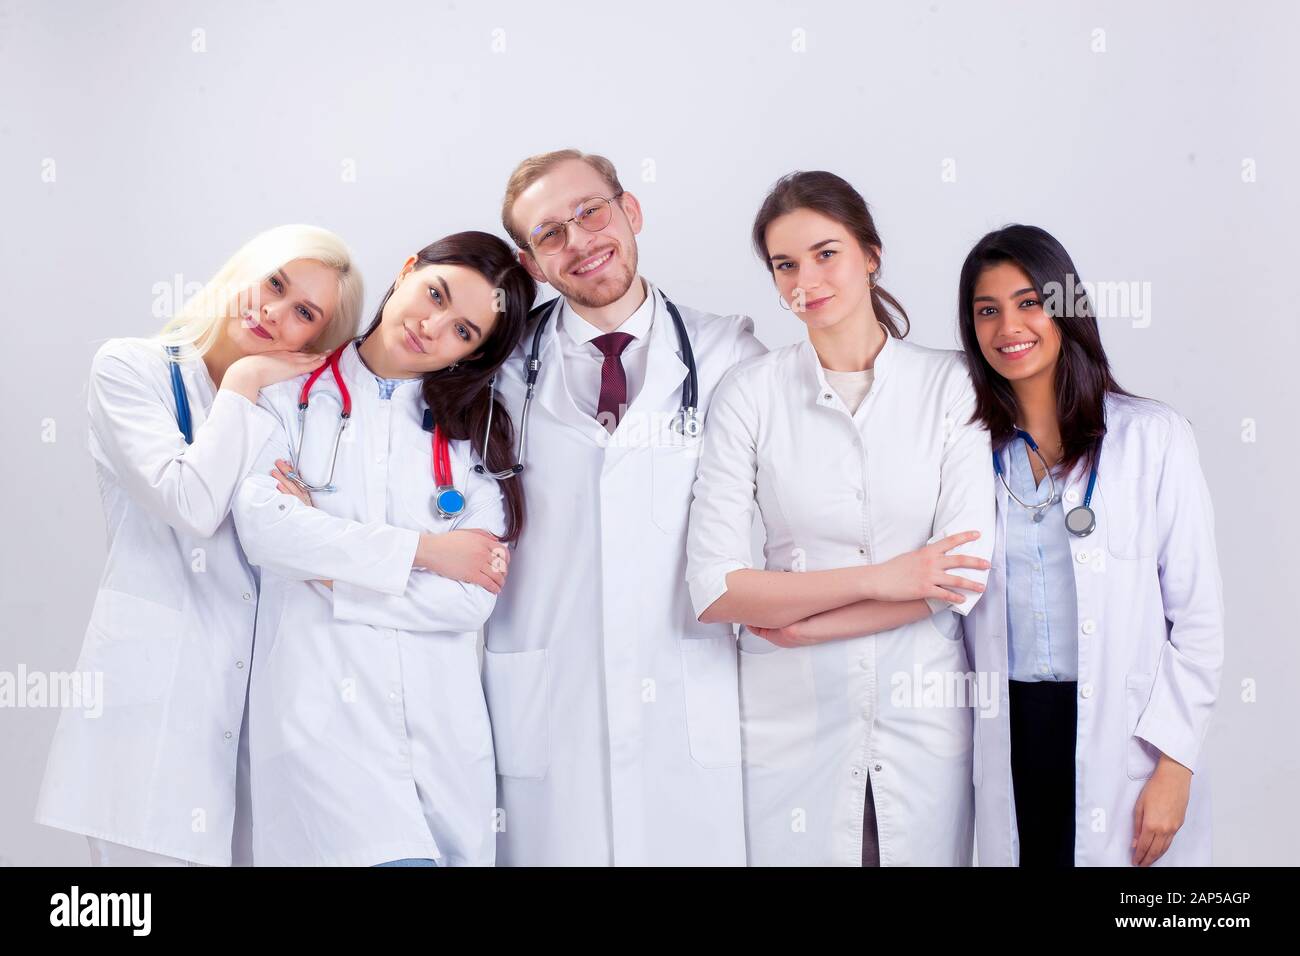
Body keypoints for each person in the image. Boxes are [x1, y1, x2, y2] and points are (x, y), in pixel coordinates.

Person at [686, 171, 994, 866]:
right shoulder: (751, 393)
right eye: (785, 265)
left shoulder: (951, 386)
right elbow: (717, 587)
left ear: (870, 254)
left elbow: (961, 578)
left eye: (826, 254)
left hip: (920, 716)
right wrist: (892, 578)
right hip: (791, 722)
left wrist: (802, 624)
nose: (806, 280)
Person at [35, 224, 364, 866]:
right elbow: (190, 502)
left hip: (260, 713)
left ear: (313, 342)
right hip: (151, 713)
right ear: (244, 271)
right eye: (274, 283)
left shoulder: (289, 413)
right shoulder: (131, 368)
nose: (272, 313)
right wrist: (241, 382)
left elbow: (307, 546)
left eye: (304, 313)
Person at [482, 149, 766, 866]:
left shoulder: (728, 355)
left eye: (590, 212)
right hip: (551, 715)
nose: (579, 241)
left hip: (688, 702)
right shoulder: (494, 373)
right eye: (551, 234)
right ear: (532, 262)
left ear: (629, 211)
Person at [231, 232, 535, 866]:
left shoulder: (478, 432)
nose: (431, 326)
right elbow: (265, 528)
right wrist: (426, 551)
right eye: (434, 294)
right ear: (407, 270)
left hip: (443, 734)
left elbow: (468, 599)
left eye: (462, 331)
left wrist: (327, 564)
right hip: (323, 727)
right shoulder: (291, 394)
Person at [957, 224, 1223, 866]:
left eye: (1028, 302)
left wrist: (1175, 765)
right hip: (1013, 731)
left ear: (1066, 306)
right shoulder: (967, 451)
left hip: (1127, 739)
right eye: (986, 311)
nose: (1007, 327)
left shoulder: (1152, 438)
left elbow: (1198, 621)